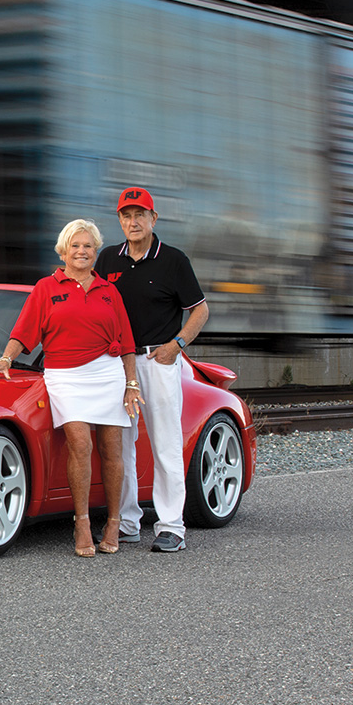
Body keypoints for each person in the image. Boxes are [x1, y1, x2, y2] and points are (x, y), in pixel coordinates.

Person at [0, 219, 144, 557]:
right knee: (80, 444)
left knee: (112, 449)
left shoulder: (109, 291)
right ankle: (81, 522)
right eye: (75, 246)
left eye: (88, 246)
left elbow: (127, 342)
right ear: (63, 252)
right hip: (65, 376)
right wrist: (6, 360)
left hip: (108, 373)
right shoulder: (46, 288)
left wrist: (131, 384)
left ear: (96, 252)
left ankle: (114, 522)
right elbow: (24, 330)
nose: (81, 251)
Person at [95, 187, 210, 553]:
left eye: (140, 215)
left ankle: (172, 526)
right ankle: (128, 522)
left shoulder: (173, 260)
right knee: (120, 445)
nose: (133, 222)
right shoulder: (107, 259)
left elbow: (201, 310)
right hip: (118, 363)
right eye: (126, 216)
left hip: (157, 361)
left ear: (153, 219)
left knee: (165, 443)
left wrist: (177, 345)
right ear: (119, 220)